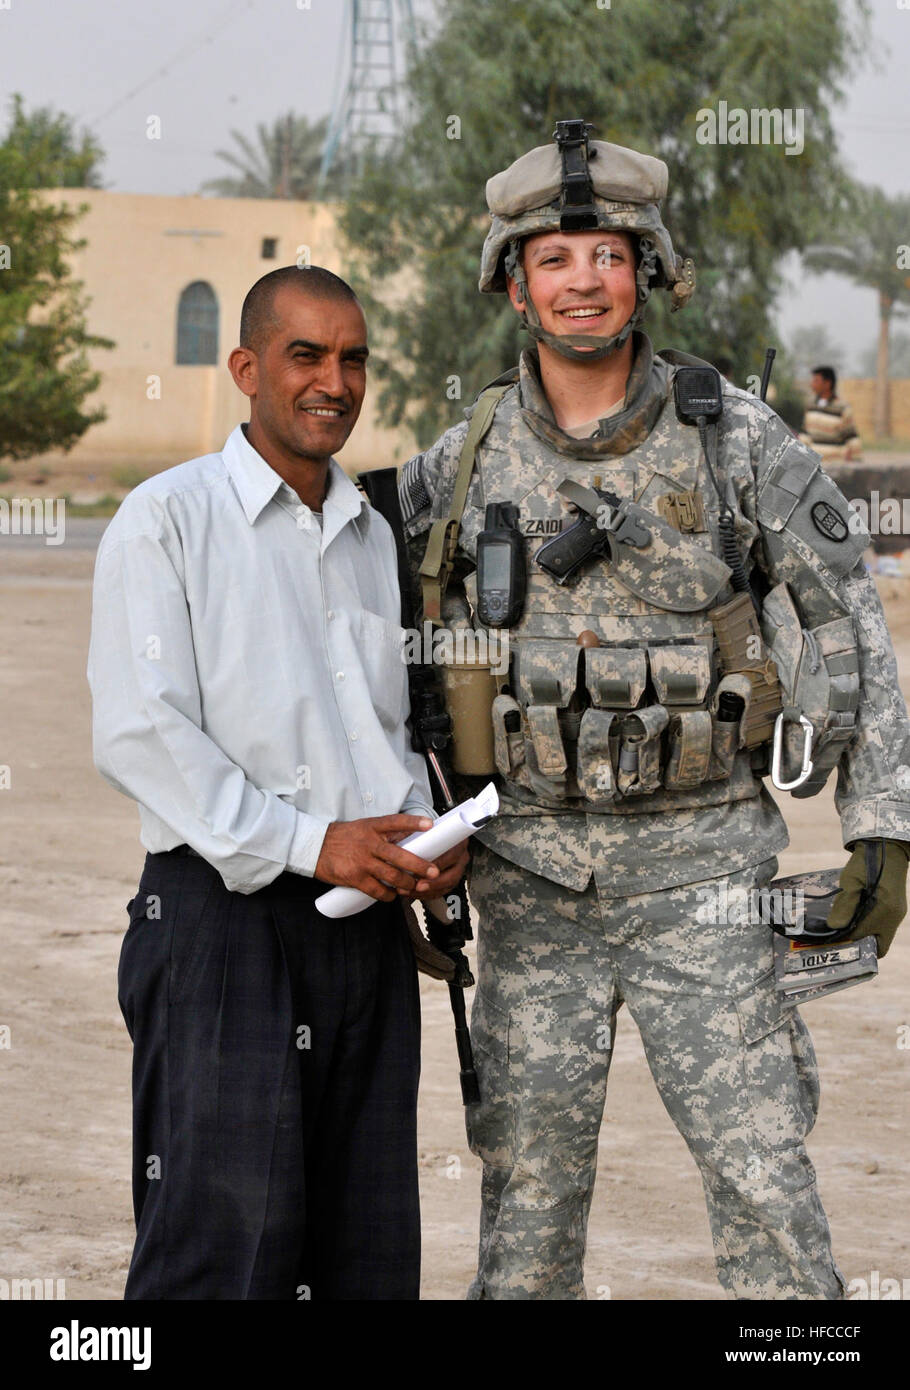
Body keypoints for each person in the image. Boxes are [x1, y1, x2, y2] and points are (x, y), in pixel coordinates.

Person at [399, 126, 910, 1300]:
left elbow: (851, 634)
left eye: (607, 254)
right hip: (527, 887)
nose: (583, 278)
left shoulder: (737, 441)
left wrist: (882, 825)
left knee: (765, 1184)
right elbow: (405, 666)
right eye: (555, 256)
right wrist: (410, 840)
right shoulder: (457, 466)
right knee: (524, 1211)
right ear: (513, 281)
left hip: (708, 879)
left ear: (648, 268)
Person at [87, 265, 467, 1300]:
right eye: (306, 355)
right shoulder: (167, 520)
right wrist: (310, 843)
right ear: (247, 366)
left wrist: (426, 833)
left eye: (352, 359)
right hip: (222, 925)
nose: (333, 382)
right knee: (224, 1249)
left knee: (364, 1249)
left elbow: (378, 730)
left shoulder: (370, 534)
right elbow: (142, 731)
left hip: (364, 927)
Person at [799, 364, 862, 461]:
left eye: (816, 381)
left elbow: (851, 437)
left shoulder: (842, 408)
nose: (812, 384)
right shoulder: (810, 406)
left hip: (836, 464)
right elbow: (805, 435)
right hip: (814, 464)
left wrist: (856, 460)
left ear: (827, 383)